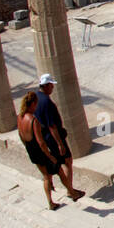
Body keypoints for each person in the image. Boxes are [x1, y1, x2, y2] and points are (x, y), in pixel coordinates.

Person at [17, 91, 82, 209]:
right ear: (32, 104)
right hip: (41, 152)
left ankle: (50, 202)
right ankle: (72, 192)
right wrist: (50, 156)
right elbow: (41, 142)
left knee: (46, 176)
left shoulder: (20, 118)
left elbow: (21, 135)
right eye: (35, 104)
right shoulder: (33, 120)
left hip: (31, 151)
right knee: (60, 172)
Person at [32, 73, 85, 204]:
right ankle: (70, 190)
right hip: (53, 139)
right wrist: (60, 144)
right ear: (47, 86)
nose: (53, 88)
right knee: (67, 161)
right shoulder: (46, 102)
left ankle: (51, 199)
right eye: (51, 86)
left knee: (49, 172)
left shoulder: (36, 98)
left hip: (43, 139)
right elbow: (52, 126)